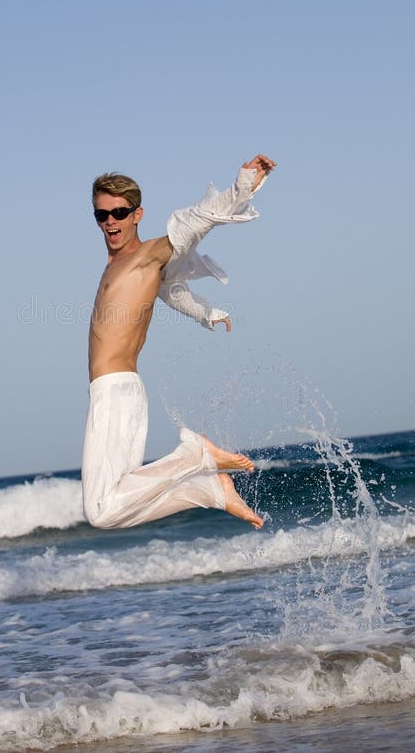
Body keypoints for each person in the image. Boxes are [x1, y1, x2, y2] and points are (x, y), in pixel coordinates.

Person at [82, 155, 276, 531]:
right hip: (113, 392)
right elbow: (171, 291)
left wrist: (242, 185)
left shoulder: (147, 254)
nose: (110, 222)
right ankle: (211, 491)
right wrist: (206, 314)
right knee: (115, 503)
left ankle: (196, 455)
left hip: (115, 392)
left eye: (119, 213)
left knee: (101, 511)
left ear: (137, 214)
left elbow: (196, 221)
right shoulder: (116, 265)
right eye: (101, 215)